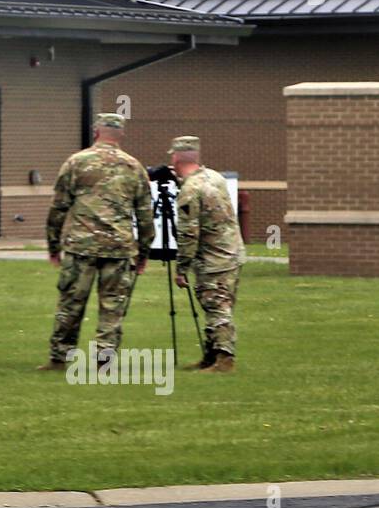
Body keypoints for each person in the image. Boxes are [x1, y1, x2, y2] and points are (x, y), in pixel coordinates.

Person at [41, 112, 153, 371]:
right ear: (120, 134)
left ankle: (61, 357)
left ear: (96, 132)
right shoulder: (134, 167)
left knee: (71, 303)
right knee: (112, 306)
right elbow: (146, 217)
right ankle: (105, 360)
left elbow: (58, 208)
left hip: (81, 245)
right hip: (119, 247)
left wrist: (53, 247)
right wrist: (143, 253)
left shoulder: (76, 162)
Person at [170, 136, 245, 373]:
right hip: (231, 253)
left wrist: (181, 268)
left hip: (213, 259)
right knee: (220, 304)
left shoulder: (190, 190)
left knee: (216, 307)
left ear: (175, 158)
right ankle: (211, 356)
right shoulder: (215, 177)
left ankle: (224, 359)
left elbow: (188, 234)